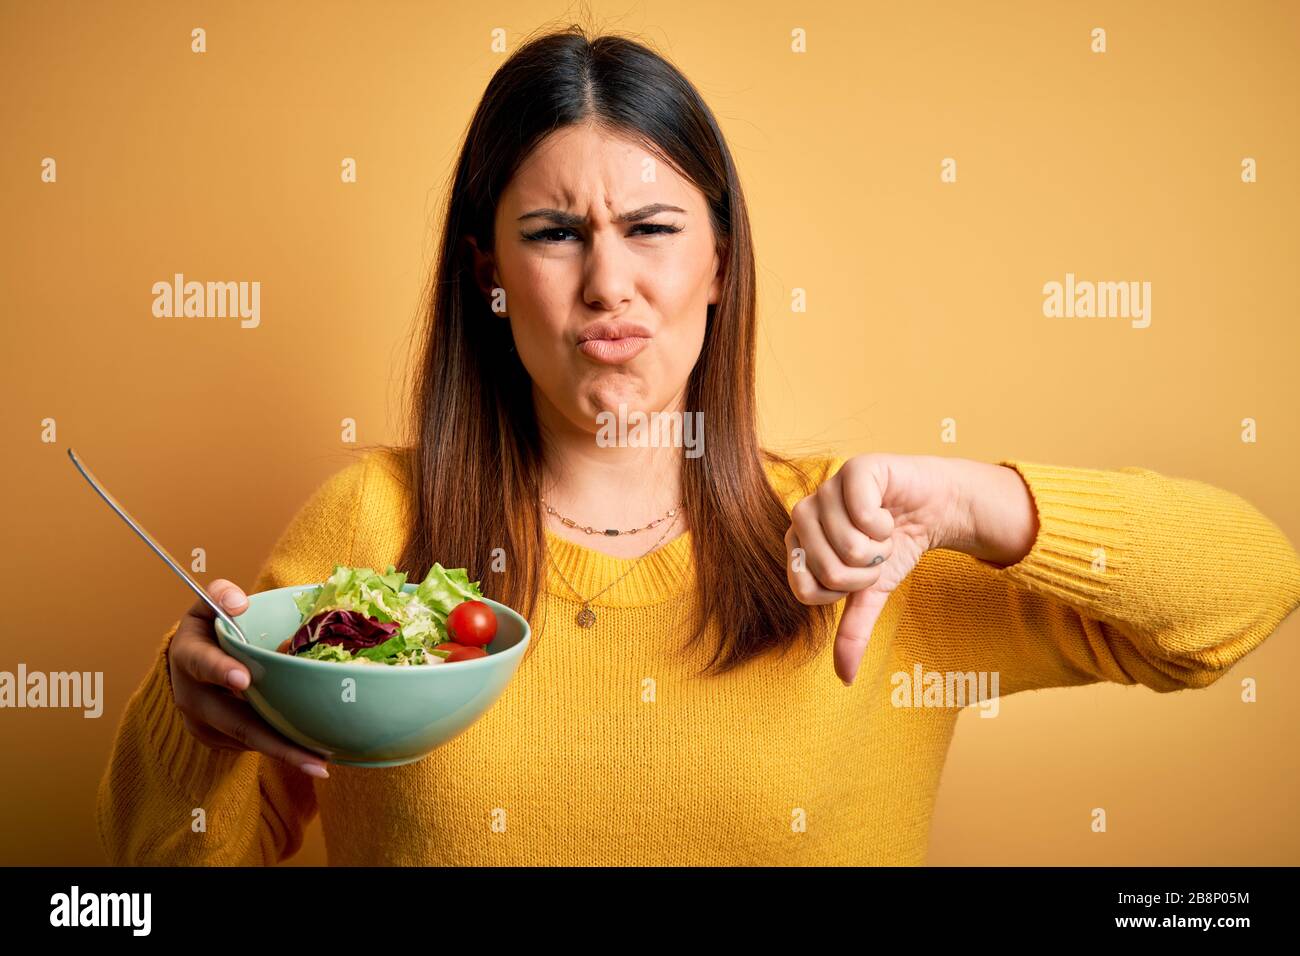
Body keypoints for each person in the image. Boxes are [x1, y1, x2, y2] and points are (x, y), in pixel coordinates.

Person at [96, 26, 1300, 866]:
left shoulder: (870, 542)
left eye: (654, 227)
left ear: (718, 262)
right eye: (556, 233)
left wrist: (972, 499)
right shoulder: (368, 530)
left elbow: (1247, 589)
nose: (608, 283)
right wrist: (192, 725)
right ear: (491, 277)